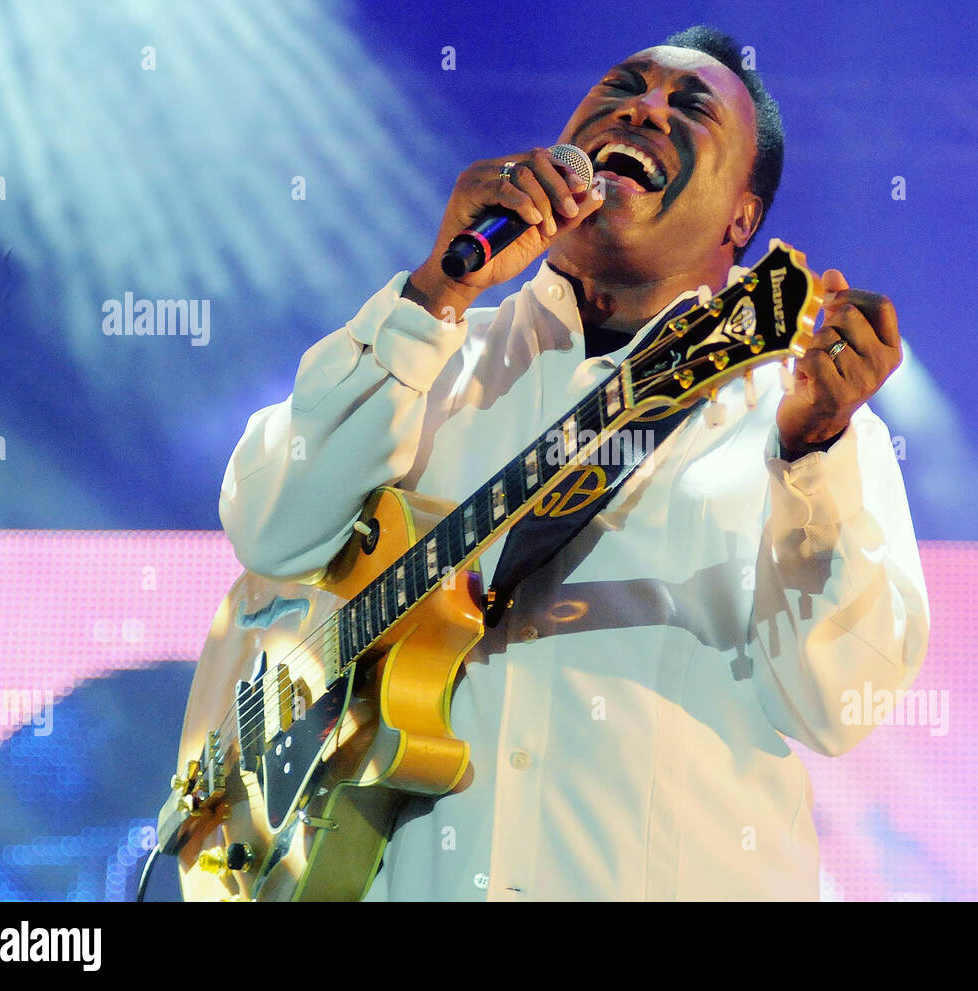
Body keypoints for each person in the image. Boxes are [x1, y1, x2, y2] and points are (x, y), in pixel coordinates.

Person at [219, 25, 929, 900]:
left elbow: (835, 704)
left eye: (691, 109)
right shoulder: (434, 352)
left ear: (743, 219)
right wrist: (437, 288)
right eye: (622, 89)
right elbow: (271, 529)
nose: (643, 106)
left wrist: (813, 455)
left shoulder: (805, 424)